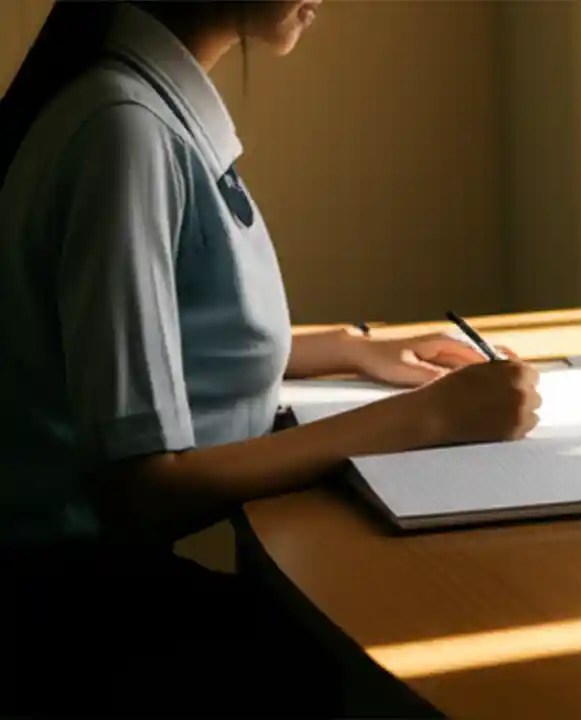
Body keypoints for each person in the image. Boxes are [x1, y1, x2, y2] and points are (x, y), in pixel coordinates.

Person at [0, 1, 540, 714]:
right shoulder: (124, 132)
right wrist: (429, 418)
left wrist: (348, 350)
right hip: (64, 614)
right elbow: (143, 488)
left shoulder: (132, 103)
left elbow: (153, 341)